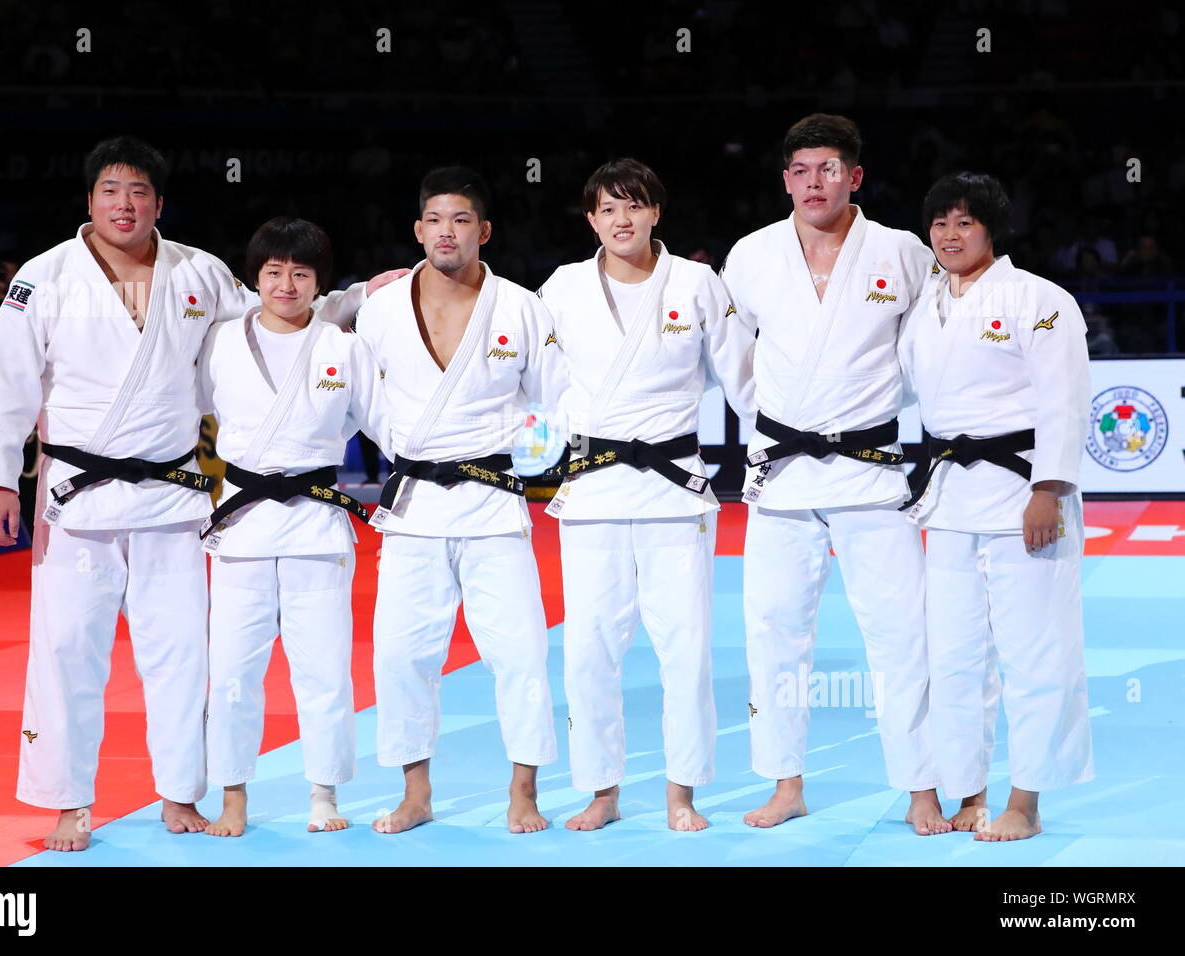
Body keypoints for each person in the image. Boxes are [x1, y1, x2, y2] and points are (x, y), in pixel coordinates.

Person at [0, 135, 400, 851]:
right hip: (76, 495)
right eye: (110, 190)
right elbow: (7, 381)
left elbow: (276, 313)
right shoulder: (44, 277)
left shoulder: (201, 272)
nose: (123, 204)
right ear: (89, 200)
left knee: (181, 655)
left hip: (171, 497)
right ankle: (68, 801)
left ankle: (178, 793)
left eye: (138, 192)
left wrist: (353, 299)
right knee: (67, 652)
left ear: (158, 203)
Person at [721, 114, 943, 832]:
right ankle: (786, 784)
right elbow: (735, 363)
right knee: (773, 631)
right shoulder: (751, 255)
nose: (814, 182)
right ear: (785, 179)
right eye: (800, 170)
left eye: (828, 169)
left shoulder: (903, 252)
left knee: (904, 632)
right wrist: (783, 427)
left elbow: (926, 355)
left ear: (855, 176)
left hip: (871, 473)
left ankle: (922, 787)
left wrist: (863, 416)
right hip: (782, 474)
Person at [536, 158, 756, 831]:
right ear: (591, 219)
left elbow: (745, 378)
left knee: (685, 646)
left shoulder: (695, 283)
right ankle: (600, 789)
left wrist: (774, 453)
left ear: (656, 212)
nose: (621, 219)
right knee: (588, 648)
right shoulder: (564, 287)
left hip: (674, 490)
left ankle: (680, 790)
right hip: (594, 488)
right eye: (607, 209)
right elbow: (540, 383)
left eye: (633, 206)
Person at [355, 166, 563, 834]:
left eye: (462, 220)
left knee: (522, 652)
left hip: (495, 504)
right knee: (401, 652)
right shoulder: (381, 308)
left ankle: (523, 791)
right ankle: (416, 792)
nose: (448, 232)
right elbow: (363, 397)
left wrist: (521, 470)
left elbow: (555, 401)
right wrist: (408, 450)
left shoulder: (522, 307)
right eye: (436, 220)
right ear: (419, 229)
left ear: (485, 231)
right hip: (415, 505)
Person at [899, 171, 1093, 841]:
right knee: (954, 657)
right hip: (950, 501)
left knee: (1036, 654)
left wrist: (1049, 489)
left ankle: (1027, 801)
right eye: (941, 223)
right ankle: (970, 791)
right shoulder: (925, 308)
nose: (951, 235)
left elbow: (1064, 402)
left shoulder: (1037, 299)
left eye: (965, 222)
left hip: (1021, 498)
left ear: (992, 229)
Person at [198, 216, 391, 837]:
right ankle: (233, 796)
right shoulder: (220, 341)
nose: (286, 284)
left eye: (300, 273)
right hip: (244, 524)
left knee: (324, 667)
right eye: (274, 271)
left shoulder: (345, 347)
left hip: (317, 523)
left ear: (319, 283)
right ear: (254, 279)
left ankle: (322, 794)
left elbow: (389, 427)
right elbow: (179, 412)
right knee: (231, 671)